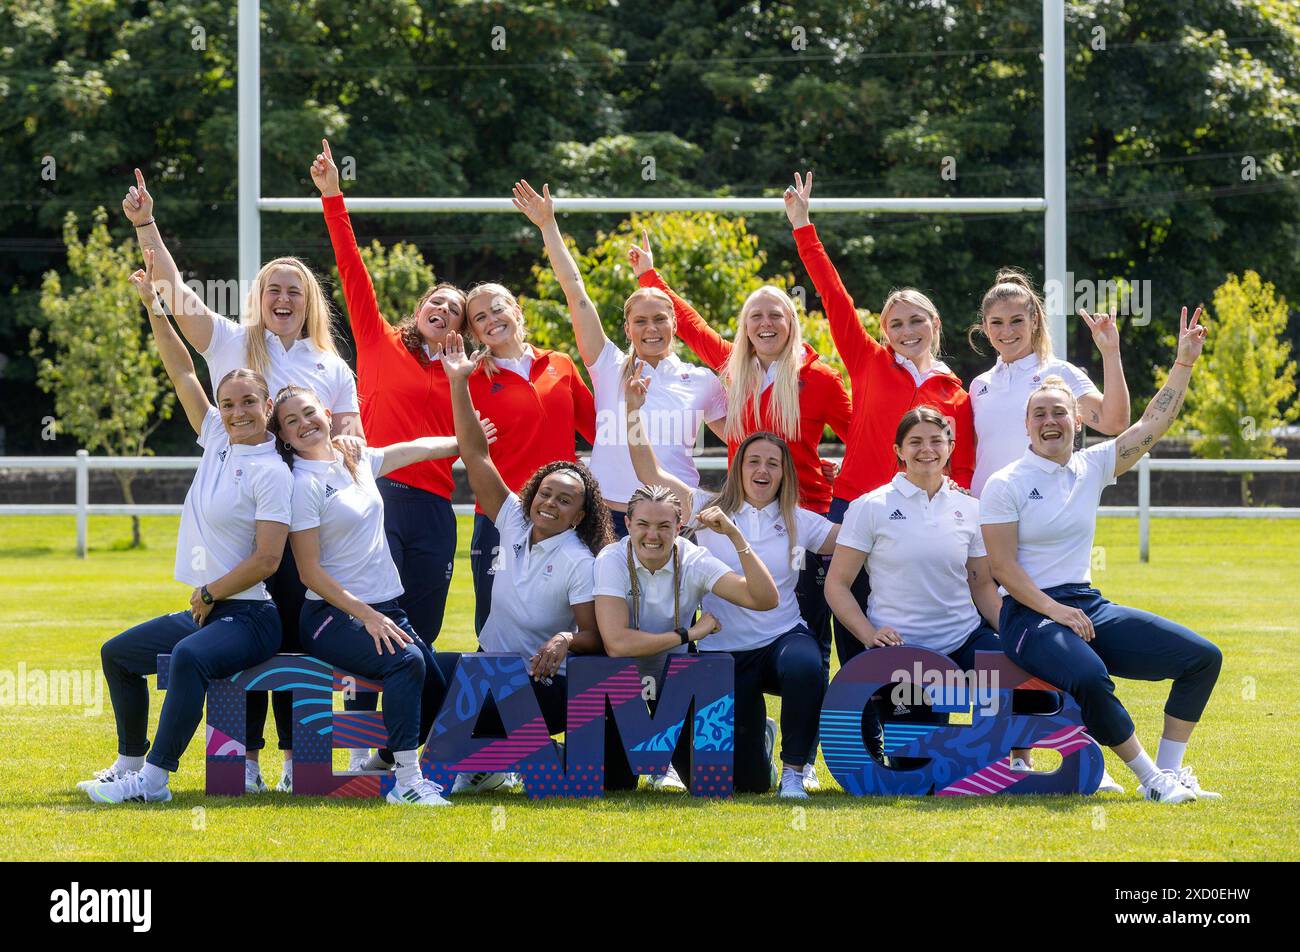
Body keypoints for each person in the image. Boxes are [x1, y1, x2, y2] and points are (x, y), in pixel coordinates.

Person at [123, 167, 362, 792]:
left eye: (295, 291)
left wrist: (347, 442)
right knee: (245, 638)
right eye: (273, 289)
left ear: (309, 302)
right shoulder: (231, 341)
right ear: (258, 297)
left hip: (308, 518)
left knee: (296, 636)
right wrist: (146, 223)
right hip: (244, 514)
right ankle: (243, 760)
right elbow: (175, 296)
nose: (284, 298)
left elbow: (351, 434)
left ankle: (297, 762)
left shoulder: (331, 365)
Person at [627, 231, 852, 782]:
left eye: (776, 315)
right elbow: (697, 328)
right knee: (737, 630)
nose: (766, 324)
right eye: (756, 316)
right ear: (746, 326)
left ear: (792, 323)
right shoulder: (734, 371)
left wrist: (840, 473)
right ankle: (743, 732)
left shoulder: (818, 378)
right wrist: (649, 276)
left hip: (803, 520)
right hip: (732, 516)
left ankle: (802, 760)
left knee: (805, 644)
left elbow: (863, 435)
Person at [981, 307, 1223, 804]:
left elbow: (1153, 424)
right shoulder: (1005, 483)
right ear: (1027, 426)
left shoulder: (1093, 465)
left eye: (1059, 412)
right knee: (1092, 676)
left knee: (1202, 658)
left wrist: (1185, 362)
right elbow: (1002, 569)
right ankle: (1151, 779)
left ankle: (1172, 774)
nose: (1051, 421)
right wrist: (1057, 612)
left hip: (1086, 606)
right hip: (1029, 616)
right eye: (1040, 414)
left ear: (1076, 420)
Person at [82, 258, 292, 803]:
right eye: (228, 403)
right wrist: (156, 308)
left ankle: (155, 781)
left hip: (251, 615)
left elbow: (268, 560)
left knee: (189, 658)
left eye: (249, 402)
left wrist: (207, 591)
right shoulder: (218, 437)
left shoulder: (274, 472)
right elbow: (181, 371)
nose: (237, 411)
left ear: (269, 406)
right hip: (213, 609)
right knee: (117, 653)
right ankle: (129, 761)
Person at [312, 139, 467, 770]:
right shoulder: (377, 343)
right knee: (364, 630)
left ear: (462, 327)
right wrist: (332, 197)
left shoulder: (465, 372)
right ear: (418, 309)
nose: (442, 308)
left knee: (418, 637)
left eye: (455, 309)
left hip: (435, 509)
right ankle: (354, 747)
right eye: (436, 300)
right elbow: (351, 266)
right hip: (374, 502)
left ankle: (397, 750)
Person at [783, 171, 977, 667]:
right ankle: (860, 728)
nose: (907, 330)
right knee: (852, 619)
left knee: (903, 622)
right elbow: (832, 293)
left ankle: (911, 723)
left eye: (917, 321)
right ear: (883, 331)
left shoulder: (955, 391)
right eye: (896, 323)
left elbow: (964, 463)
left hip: (920, 517)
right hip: (851, 506)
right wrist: (803, 226)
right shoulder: (867, 360)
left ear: (935, 325)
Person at [624, 362, 839, 797]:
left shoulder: (799, 519)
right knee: (747, 786)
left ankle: (796, 770)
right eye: (754, 460)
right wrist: (632, 412)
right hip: (724, 650)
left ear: (784, 473)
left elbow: (856, 543)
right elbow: (650, 473)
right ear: (739, 466)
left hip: (781, 637)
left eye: (773, 464)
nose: (763, 470)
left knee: (806, 665)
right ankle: (761, 740)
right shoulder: (704, 507)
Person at [442, 331, 623, 794]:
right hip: (489, 670)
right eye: (545, 493)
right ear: (532, 494)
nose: (551, 504)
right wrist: (459, 382)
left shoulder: (581, 561)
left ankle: (510, 755)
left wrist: (565, 638)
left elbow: (597, 638)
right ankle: (478, 759)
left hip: (543, 685)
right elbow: (475, 453)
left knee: (475, 712)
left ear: (580, 515)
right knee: (426, 672)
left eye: (565, 500)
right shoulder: (513, 523)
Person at [273, 385, 461, 807]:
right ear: (284, 436)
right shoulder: (301, 485)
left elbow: (415, 449)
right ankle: (408, 784)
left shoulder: (356, 460)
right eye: (291, 421)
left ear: (325, 412)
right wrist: (367, 616)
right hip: (329, 614)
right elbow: (310, 572)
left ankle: (382, 761)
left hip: (385, 606)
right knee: (406, 661)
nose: (304, 424)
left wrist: (465, 440)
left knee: (436, 684)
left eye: (308, 413)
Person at [512, 180, 727, 536]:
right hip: (607, 518)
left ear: (674, 323)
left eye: (660, 319)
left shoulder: (702, 380)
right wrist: (548, 225)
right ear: (627, 329)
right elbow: (574, 289)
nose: (651, 328)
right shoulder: (608, 365)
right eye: (640, 321)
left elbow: (742, 435)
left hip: (673, 518)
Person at [824, 406, 1034, 770]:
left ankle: (1016, 760)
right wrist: (870, 634)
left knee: (1010, 670)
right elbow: (837, 584)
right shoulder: (869, 507)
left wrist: (1016, 635)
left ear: (950, 446)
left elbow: (982, 585)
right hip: (904, 656)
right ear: (898, 450)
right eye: (915, 442)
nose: (927, 450)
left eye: (937, 441)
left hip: (964, 640)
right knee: (916, 768)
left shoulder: (970, 508)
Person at [593, 459, 780, 791]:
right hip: (623, 685)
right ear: (628, 523)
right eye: (643, 524)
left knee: (746, 784)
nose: (653, 535)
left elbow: (765, 599)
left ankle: (757, 737)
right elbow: (616, 644)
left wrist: (736, 535)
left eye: (664, 526)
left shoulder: (693, 558)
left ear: (679, 526)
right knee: (614, 784)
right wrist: (689, 634)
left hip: (677, 685)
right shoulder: (611, 559)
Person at [458, 277, 596, 634]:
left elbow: (600, 430)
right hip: (500, 515)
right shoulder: (469, 380)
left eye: (498, 309)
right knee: (494, 622)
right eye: (480, 318)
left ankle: (558, 688)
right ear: (474, 332)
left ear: (517, 311)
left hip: (563, 513)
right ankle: (498, 691)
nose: (492, 320)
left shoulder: (560, 364)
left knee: (570, 618)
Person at [968, 268, 1131, 498]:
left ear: (1034, 321)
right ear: (985, 327)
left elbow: (1114, 422)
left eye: (1017, 320)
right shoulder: (978, 385)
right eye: (997, 322)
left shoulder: (1059, 371)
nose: (1007, 331)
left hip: (1042, 510)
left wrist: (1111, 353)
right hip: (985, 512)